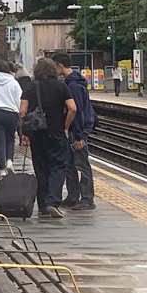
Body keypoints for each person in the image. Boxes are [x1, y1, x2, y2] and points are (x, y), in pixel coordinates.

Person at [19, 57, 78, 219]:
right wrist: (66, 126)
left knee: (41, 168)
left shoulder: (30, 87)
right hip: (57, 133)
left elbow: (22, 111)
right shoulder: (61, 86)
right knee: (58, 167)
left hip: (37, 134)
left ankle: (43, 205)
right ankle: (53, 201)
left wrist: (24, 133)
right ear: (53, 70)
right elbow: (72, 108)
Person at [54, 53, 96, 211]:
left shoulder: (73, 86)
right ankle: (73, 196)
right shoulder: (73, 82)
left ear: (59, 65)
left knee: (81, 163)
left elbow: (77, 112)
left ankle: (87, 198)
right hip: (75, 128)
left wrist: (78, 135)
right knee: (69, 163)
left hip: (78, 129)